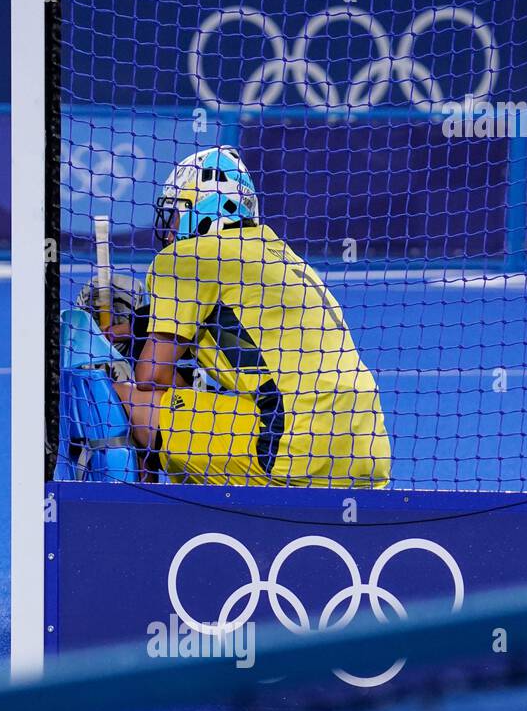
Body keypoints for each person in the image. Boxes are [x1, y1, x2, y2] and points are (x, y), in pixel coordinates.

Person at [82, 146, 390, 487]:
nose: (169, 233)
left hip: (288, 450)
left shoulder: (185, 257)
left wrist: (118, 357)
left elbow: (150, 377)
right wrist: (135, 329)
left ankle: (136, 513)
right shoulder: (278, 252)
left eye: (175, 216)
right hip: (366, 452)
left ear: (200, 211)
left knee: (113, 393)